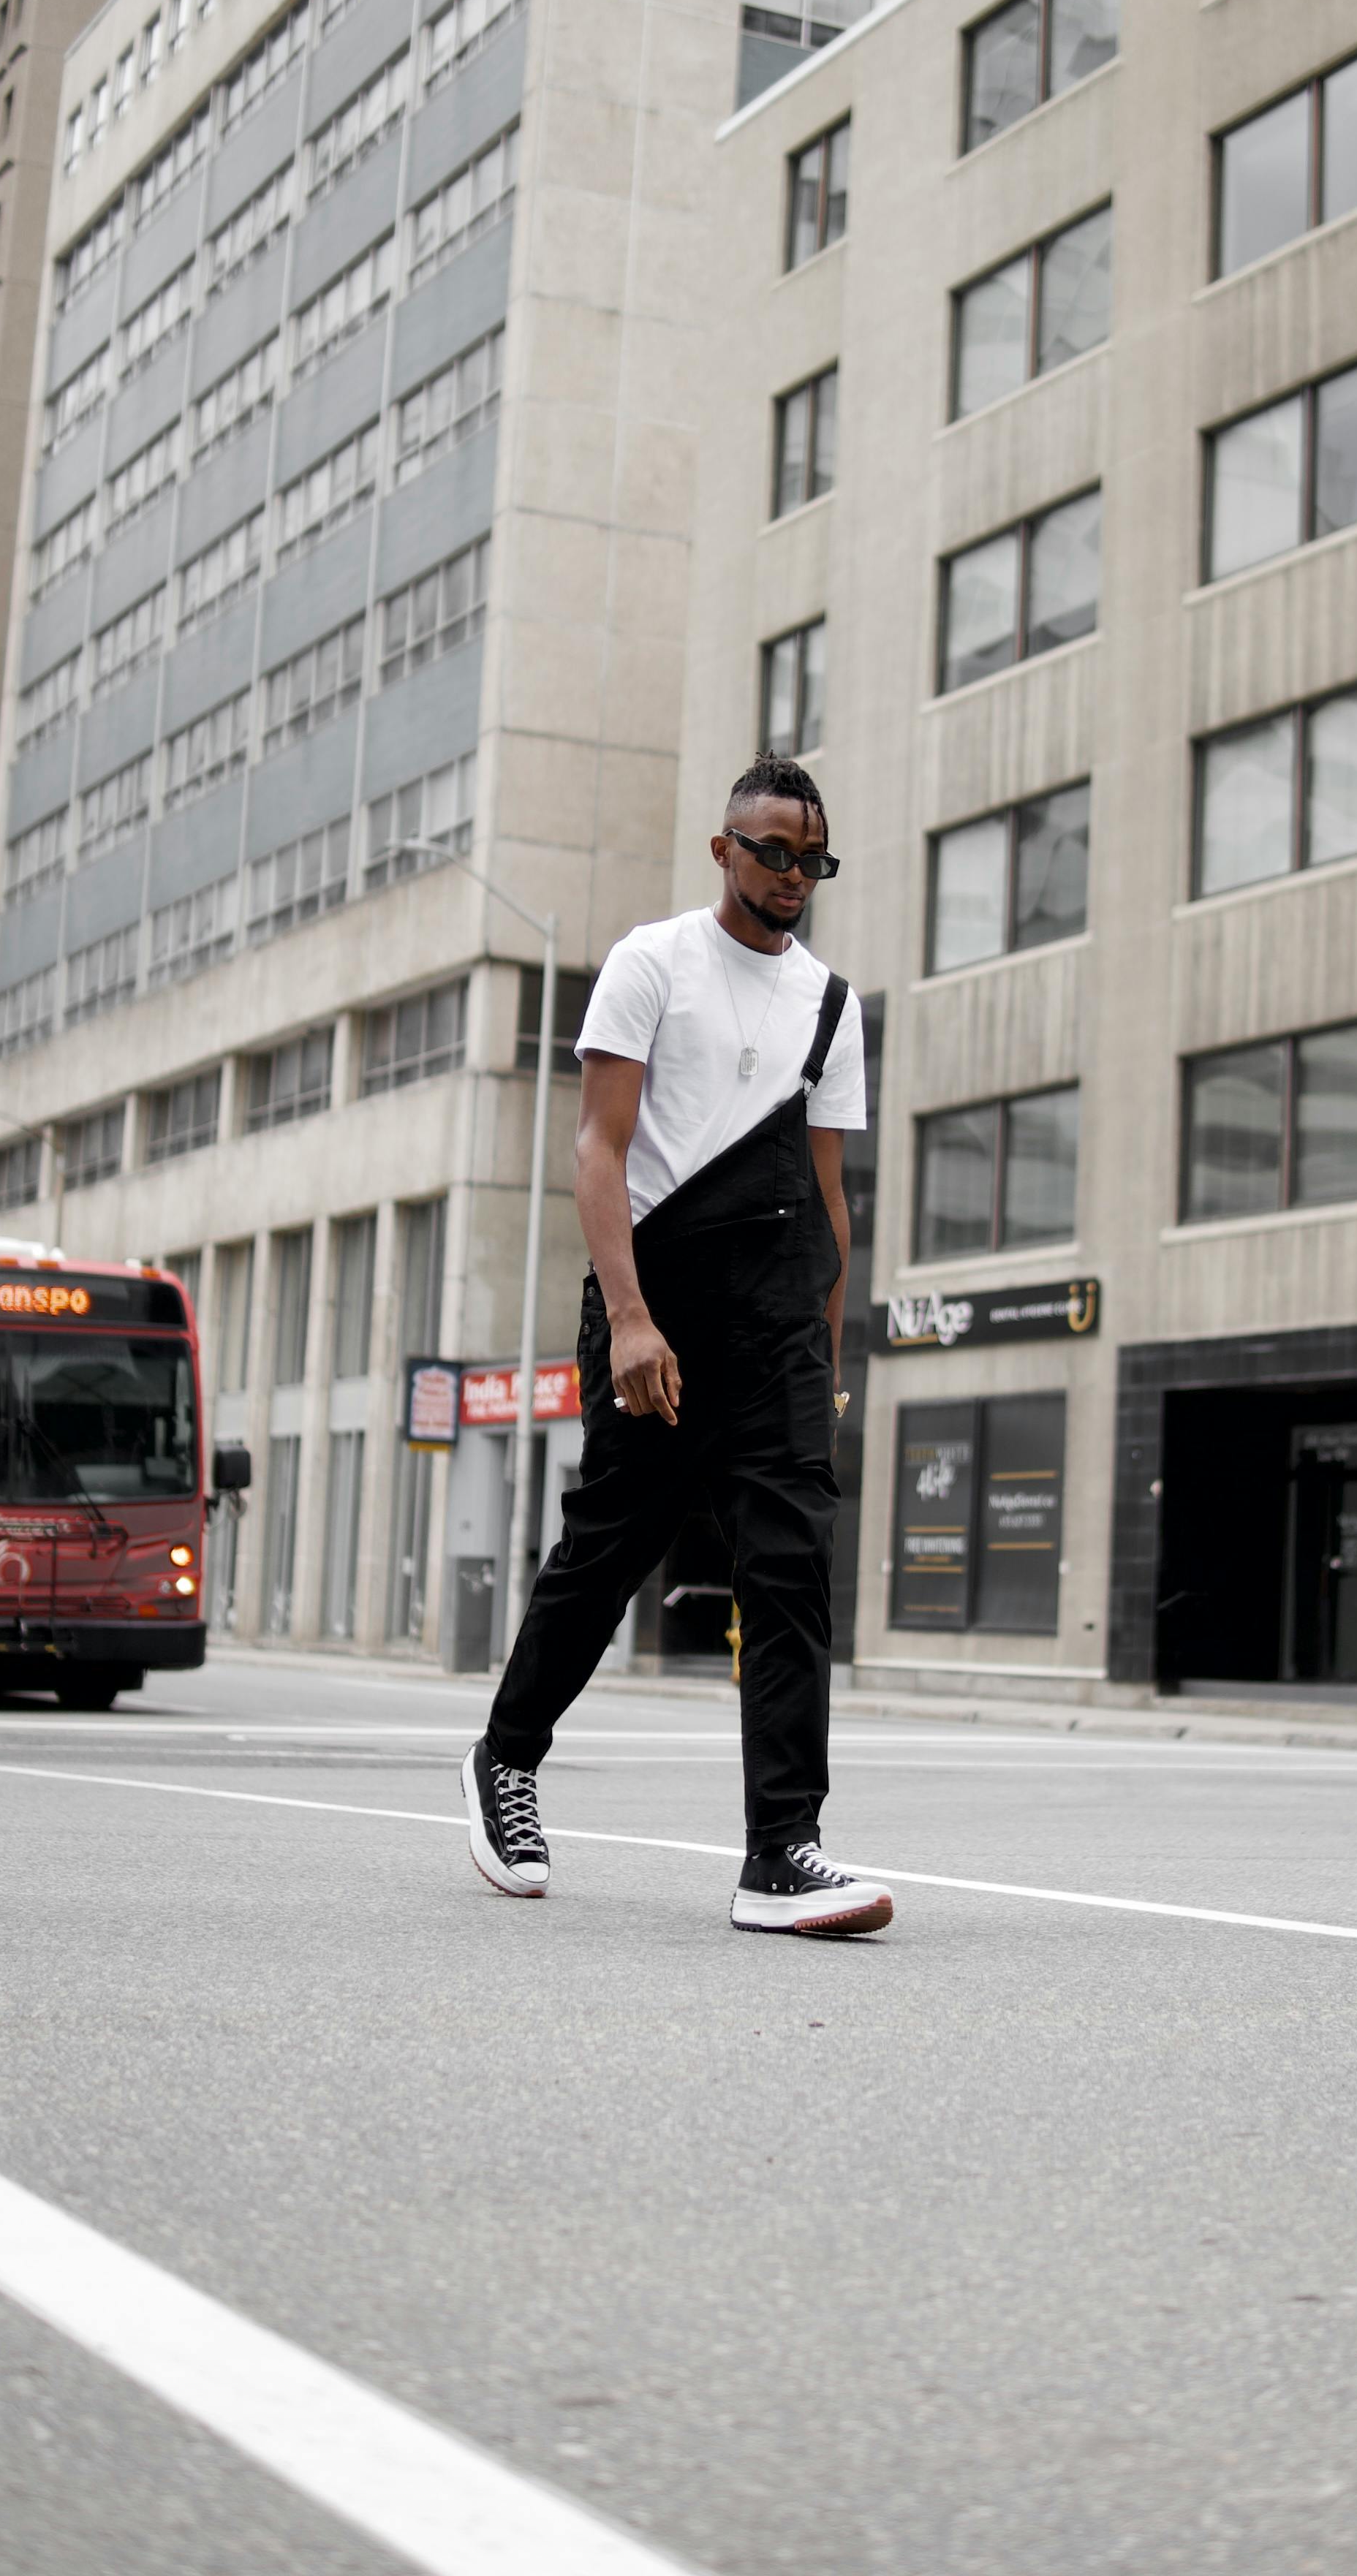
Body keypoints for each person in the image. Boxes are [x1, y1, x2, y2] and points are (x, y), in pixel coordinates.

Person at [461, 754, 894, 1937]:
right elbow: (600, 1151)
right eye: (772, 852)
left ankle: (782, 1851)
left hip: (779, 1324)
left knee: (791, 1566)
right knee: (613, 1548)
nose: (793, 875)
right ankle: (505, 1758)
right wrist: (633, 1318)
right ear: (723, 849)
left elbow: (829, 1195)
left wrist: (831, 1350)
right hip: (660, 1300)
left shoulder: (831, 1004)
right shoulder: (653, 963)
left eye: (812, 859)